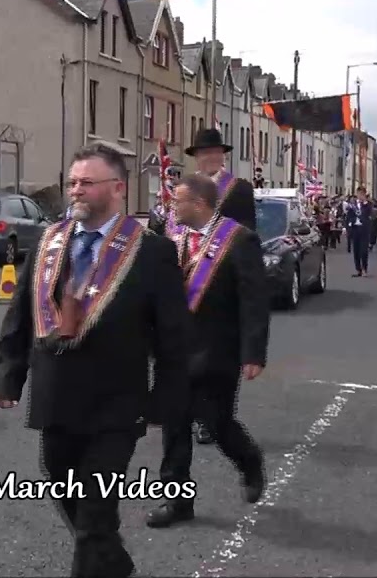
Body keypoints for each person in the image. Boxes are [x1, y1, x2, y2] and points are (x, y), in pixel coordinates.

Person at [0, 142, 188, 578]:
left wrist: (165, 401)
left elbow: (173, 338)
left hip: (116, 405)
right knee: (67, 493)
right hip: (56, 398)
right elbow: (20, 315)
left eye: (87, 183)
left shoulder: (152, 251)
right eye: (72, 182)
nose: (76, 190)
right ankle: (113, 562)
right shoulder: (49, 241)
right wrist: (8, 377)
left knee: (95, 511)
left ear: (118, 188)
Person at [145, 174, 269, 530]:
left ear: (198, 204)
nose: (171, 208)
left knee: (216, 422)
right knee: (174, 426)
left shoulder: (239, 239)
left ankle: (249, 461)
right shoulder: (171, 237)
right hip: (174, 350)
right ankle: (177, 501)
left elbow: (253, 300)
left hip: (217, 350)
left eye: (177, 201)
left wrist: (253, 353)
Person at [149, 127, 257, 236]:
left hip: (222, 245)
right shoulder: (183, 187)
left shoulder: (240, 188)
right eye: (207, 153)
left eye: (217, 152)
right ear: (196, 156)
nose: (213, 157)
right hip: (184, 245)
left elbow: (247, 230)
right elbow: (169, 227)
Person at [344, 186, 374, 277]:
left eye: (362, 194)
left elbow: (370, 213)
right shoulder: (352, 205)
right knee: (356, 251)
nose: (360, 196)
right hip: (355, 229)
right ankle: (358, 269)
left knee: (364, 251)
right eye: (359, 194)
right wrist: (346, 228)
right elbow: (348, 217)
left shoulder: (368, 205)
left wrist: (364, 203)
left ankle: (364, 269)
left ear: (364, 194)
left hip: (364, 230)